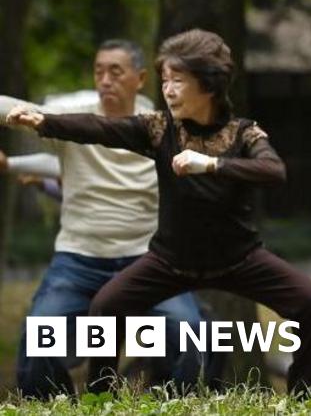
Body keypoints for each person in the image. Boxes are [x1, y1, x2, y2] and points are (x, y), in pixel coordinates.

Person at [5, 29, 311, 395]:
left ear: (208, 84)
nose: (169, 89)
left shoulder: (244, 134)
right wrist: (43, 121)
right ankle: (101, 399)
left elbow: (274, 172)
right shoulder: (158, 129)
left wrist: (209, 164)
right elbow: (99, 128)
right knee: (106, 307)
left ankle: (308, 399)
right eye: (165, 80)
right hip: (169, 262)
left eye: (178, 80)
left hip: (240, 258)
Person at [0, 40, 203, 397]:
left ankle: (169, 405)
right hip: (78, 261)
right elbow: (15, 112)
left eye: (115, 71)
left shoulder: (164, 129)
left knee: (187, 334)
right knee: (37, 344)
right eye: (99, 71)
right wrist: (12, 164)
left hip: (147, 261)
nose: (105, 80)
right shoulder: (73, 119)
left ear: (140, 79)